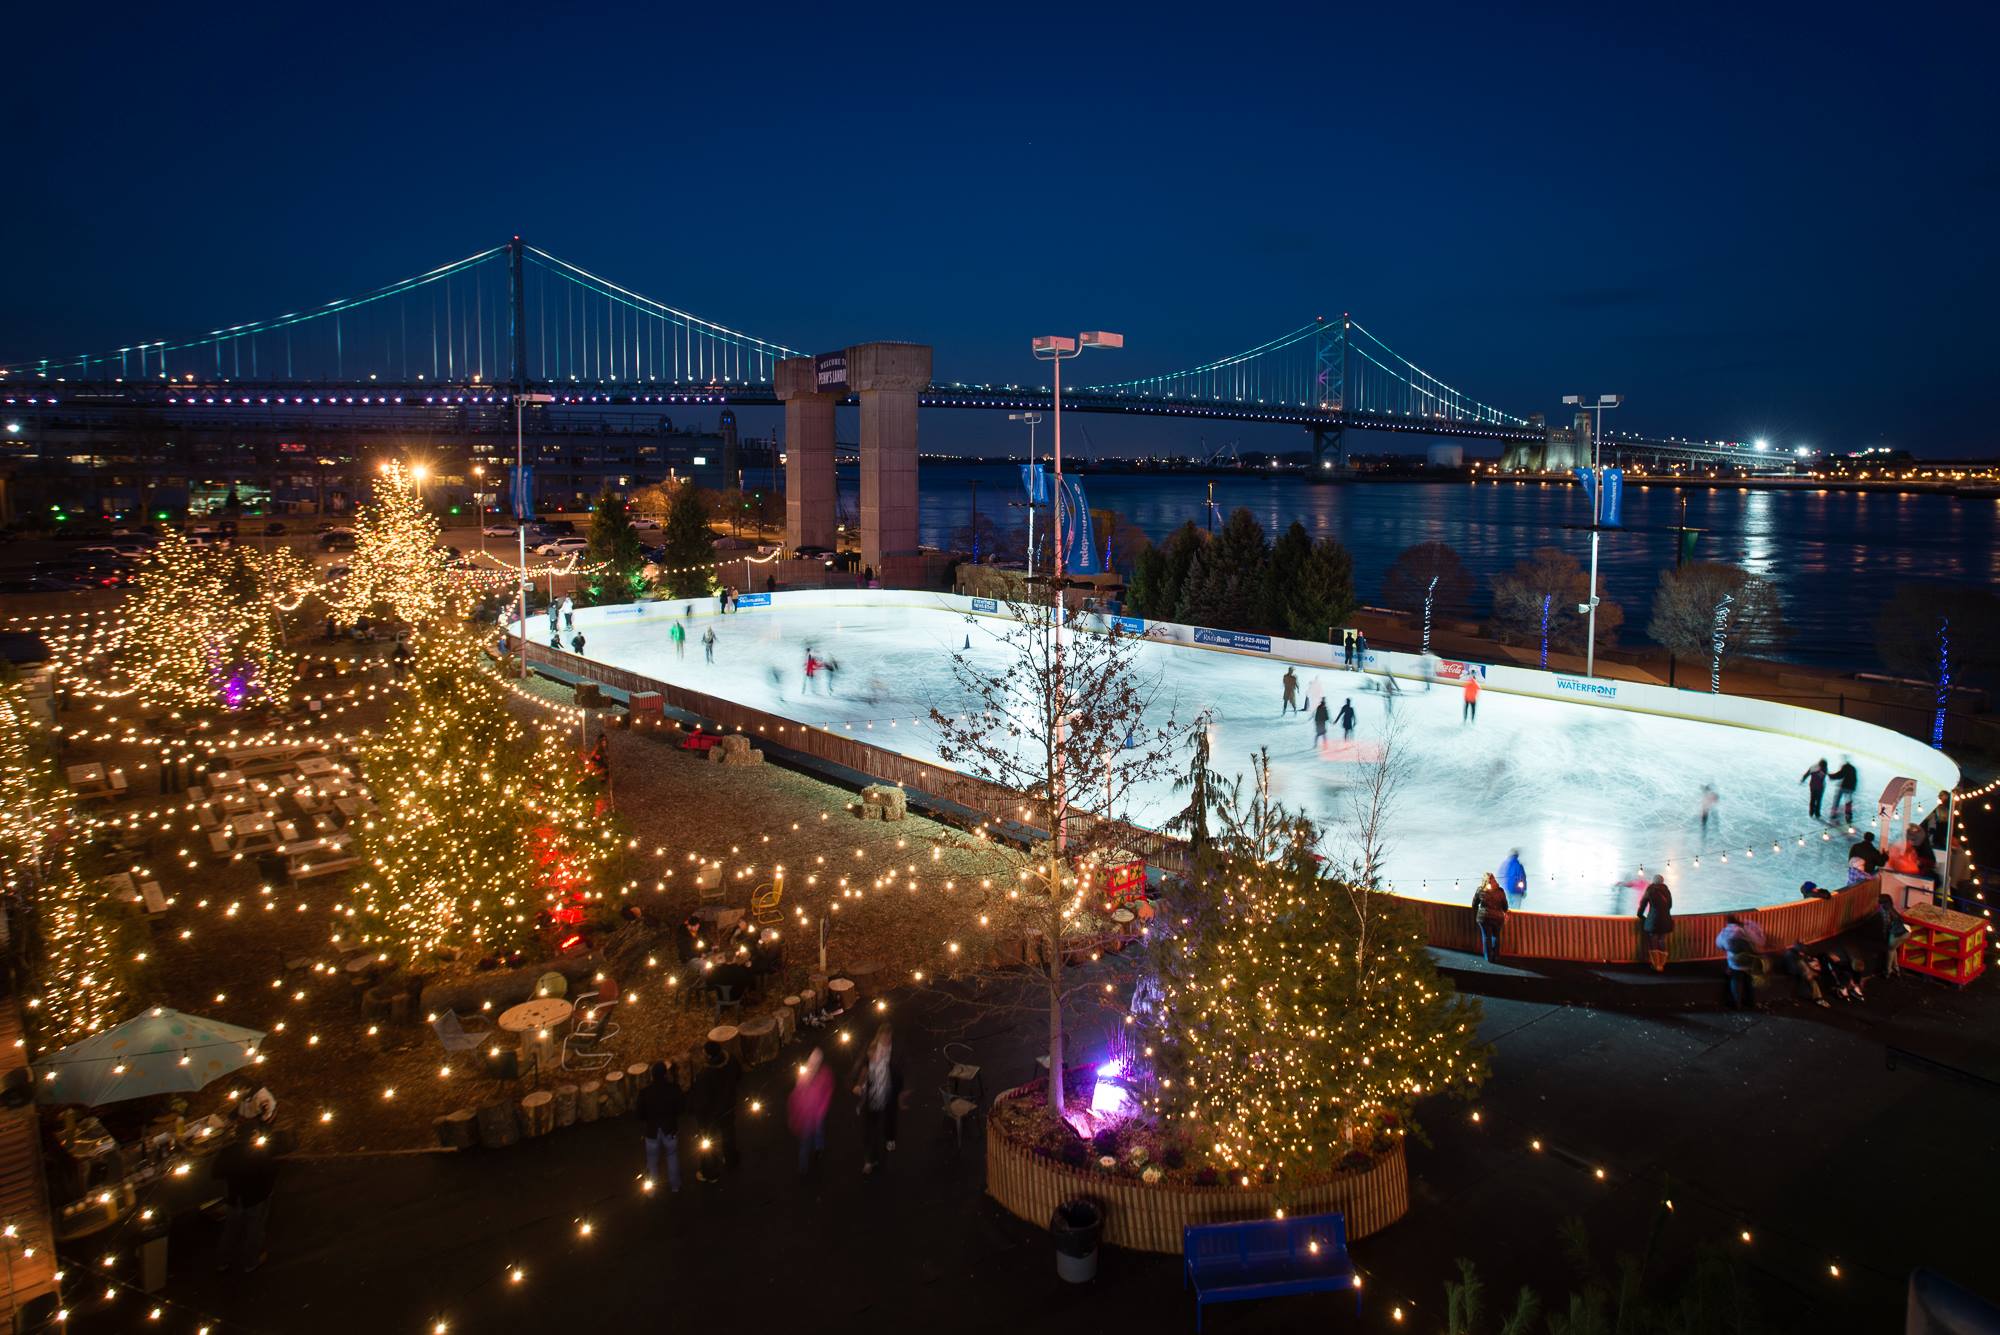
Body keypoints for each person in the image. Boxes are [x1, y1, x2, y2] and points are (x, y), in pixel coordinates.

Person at [215, 1088, 283, 1273]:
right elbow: (270, 1171)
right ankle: (251, 1261)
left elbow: (217, 1171)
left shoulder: (228, 1151)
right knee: (255, 1228)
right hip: (255, 1197)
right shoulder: (258, 1153)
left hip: (234, 1197)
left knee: (231, 1228)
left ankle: (223, 1260)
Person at [852, 1023, 903, 1174]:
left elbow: (900, 1069)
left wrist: (900, 1090)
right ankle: (870, 1160)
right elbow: (863, 1067)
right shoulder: (872, 1048)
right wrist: (858, 1084)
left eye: (888, 1038)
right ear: (879, 1036)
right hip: (872, 1096)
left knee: (889, 1119)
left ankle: (890, 1137)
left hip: (888, 1093)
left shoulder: (895, 1050)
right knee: (870, 1129)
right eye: (883, 1038)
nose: (886, 1041)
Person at [693, 1039, 740, 1182]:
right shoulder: (731, 1061)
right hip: (728, 1106)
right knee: (729, 1134)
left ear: (708, 1056)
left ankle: (710, 1172)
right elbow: (739, 1076)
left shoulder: (705, 1075)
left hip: (711, 1115)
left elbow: (702, 1100)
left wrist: (700, 1117)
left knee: (708, 1143)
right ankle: (731, 1159)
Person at [635, 1060, 684, 1192]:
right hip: (670, 1129)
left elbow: (639, 1114)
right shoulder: (674, 1089)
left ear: (652, 1075)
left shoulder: (645, 1092)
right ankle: (675, 1186)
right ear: (665, 1074)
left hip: (652, 1131)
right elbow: (680, 1108)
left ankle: (652, 1190)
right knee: (672, 1156)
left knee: (651, 1160)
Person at [789, 1048, 834, 1175]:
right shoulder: (803, 1078)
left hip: (817, 1115)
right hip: (806, 1118)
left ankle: (819, 1147)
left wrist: (821, 1110)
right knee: (805, 1142)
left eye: (815, 1063)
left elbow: (827, 1092)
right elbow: (796, 1096)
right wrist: (795, 1116)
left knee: (818, 1132)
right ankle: (803, 1166)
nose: (812, 1066)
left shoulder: (824, 1075)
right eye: (811, 1063)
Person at [1716, 914, 1765, 1010]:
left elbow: (1719, 943)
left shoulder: (1726, 931)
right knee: (1749, 981)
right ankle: (1751, 1002)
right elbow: (1759, 941)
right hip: (1749, 959)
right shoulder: (1745, 929)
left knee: (1736, 981)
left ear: (1727, 922)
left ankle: (1737, 1003)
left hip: (1735, 961)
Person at [1636, 875, 1674, 973]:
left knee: (1653, 941)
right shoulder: (1666, 890)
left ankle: (1656, 964)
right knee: (1662, 941)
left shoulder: (1650, 890)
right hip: (1666, 920)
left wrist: (1640, 915)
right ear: (1662, 882)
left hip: (1653, 920)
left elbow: (1643, 904)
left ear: (1653, 881)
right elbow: (1670, 905)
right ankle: (1662, 964)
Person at [1472, 872, 1508, 963]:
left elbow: (1474, 904)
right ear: (1494, 880)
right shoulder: (1500, 891)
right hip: (1498, 918)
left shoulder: (1480, 890)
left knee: (1486, 937)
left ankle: (1488, 957)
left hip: (1484, 917)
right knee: (1496, 936)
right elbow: (1505, 907)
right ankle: (1496, 956)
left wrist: (1479, 910)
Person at [1876, 894, 1909, 977]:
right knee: (1893, 949)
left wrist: (1883, 936)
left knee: (1890, 950)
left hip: (1896, 933)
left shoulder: (1884, 911)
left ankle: (1888, 971)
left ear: (1882, 903)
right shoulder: (1891, 908)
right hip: (1906, 932)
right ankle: (1896, 969)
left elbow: (1885, 925)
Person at [1829, 756, 1859, 825]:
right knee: (1848, 801)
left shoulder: (1845, 767)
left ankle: (1833, 813)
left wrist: (1831, 776)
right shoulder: (1853, 768)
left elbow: (1840, 775)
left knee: (1836, 799)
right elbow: (1855, 779)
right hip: (1850, 788)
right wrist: (1853, 788)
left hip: (1844, 787)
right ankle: (1848, 816)